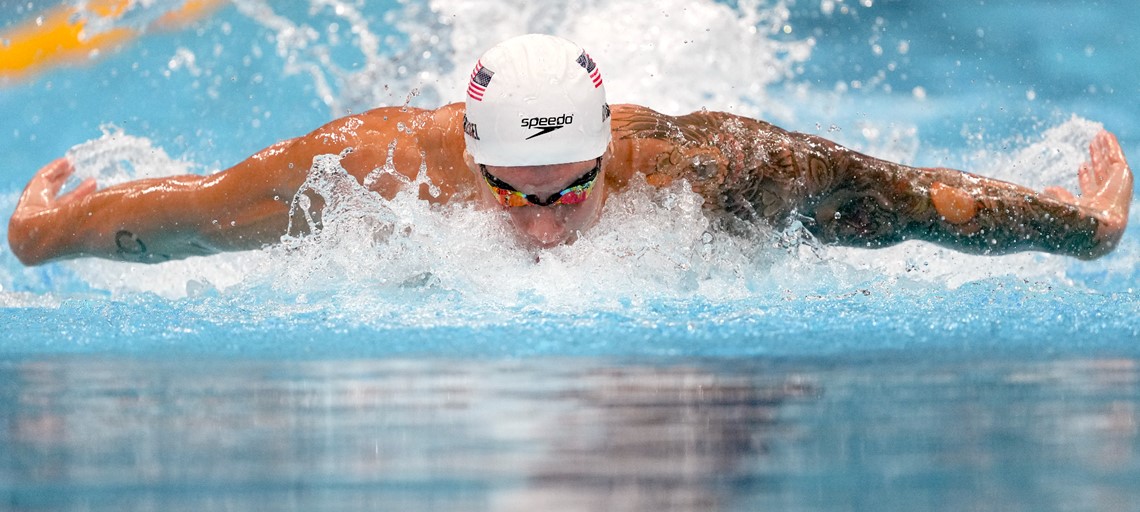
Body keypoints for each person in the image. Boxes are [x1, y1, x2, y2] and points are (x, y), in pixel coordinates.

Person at [7, 34, 1133, 266]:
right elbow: (193, 215)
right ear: (469, 155)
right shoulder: (379, 166)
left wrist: (1080, 232)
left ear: (609, 154)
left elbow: (908, 198)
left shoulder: (697, 167)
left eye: (571, 191)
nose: (546, 228)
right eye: (515, 195)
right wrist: (42, 237)